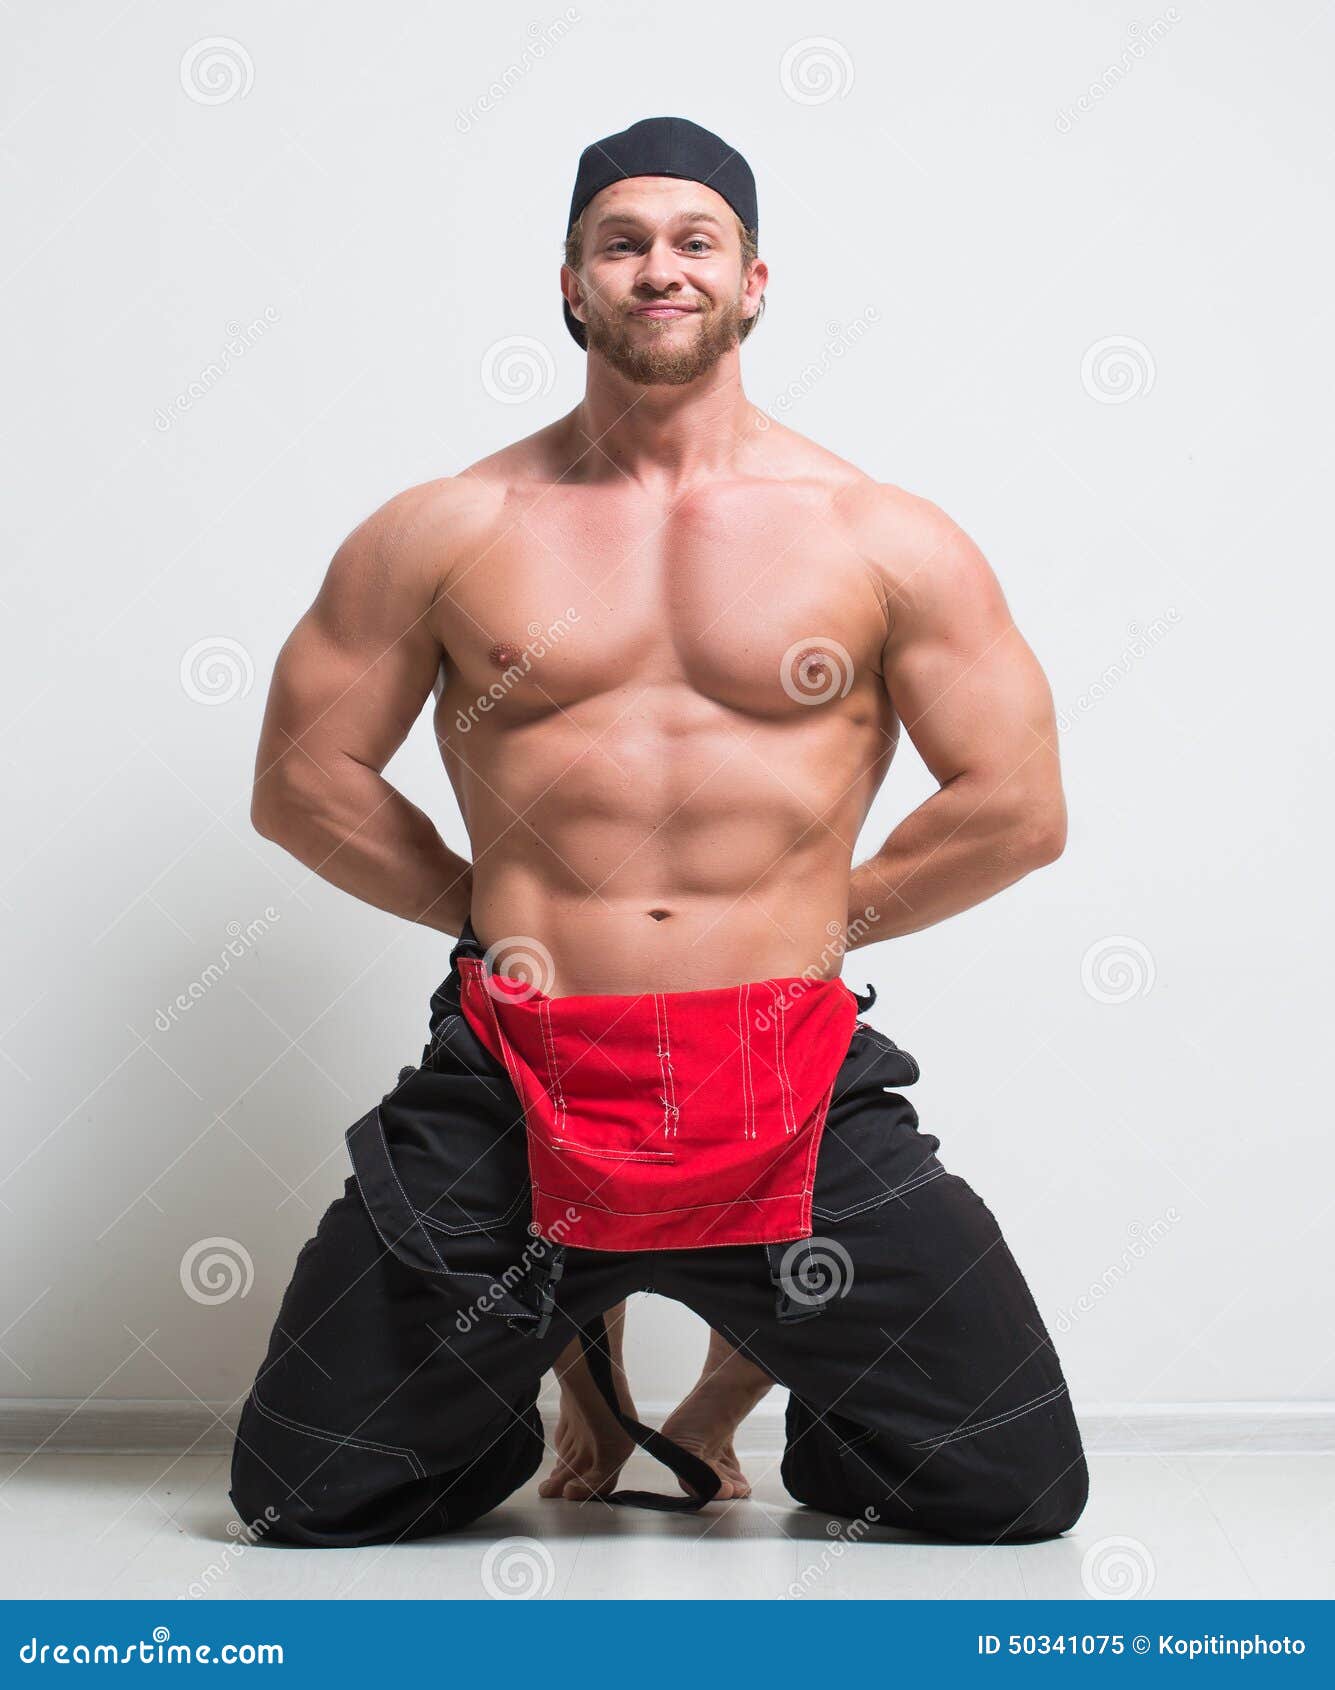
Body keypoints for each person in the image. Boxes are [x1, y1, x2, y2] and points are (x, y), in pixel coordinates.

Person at [227, 116, 1089, 1547]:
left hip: (786, 1074)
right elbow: (302, 783)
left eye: (697, 241)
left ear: (755, 283)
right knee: (309, 1489)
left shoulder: (881, 534)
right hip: (521, 1063)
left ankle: (766, 1392)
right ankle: (555, 1342)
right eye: (621, 243)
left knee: (1011, 1485)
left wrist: (826, 919)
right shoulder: (446, 527)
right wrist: (477, 911)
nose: (659, 268)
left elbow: (1018, 806)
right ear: (571, 284)